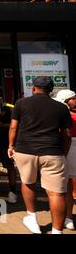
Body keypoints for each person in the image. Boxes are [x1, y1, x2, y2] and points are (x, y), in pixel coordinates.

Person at [8, 77, 72, 234]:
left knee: (28, 183)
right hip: (53, 151)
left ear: (33, 88)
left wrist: (11, 146)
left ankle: (32, 218)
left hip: (25, 150)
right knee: (56, 192)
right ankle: (57, 230)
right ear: (51, 90)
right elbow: (67, 134)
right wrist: (63, 152)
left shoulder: (21, 103)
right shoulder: (61, 107)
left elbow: (13, 127)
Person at [54, 89, 76, 230]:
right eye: (73, 98)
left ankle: (68, 217)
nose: (75, 101)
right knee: (62, 185)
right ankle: (65, 216)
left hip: (70, 147)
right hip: (61, 147)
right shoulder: (60, 113)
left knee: (69, 183)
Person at [0, 91, 18, 204]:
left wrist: (3, 125)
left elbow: (16, 125)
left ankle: (12, 191)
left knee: (9, 166)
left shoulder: (10, 108)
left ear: (0, 99)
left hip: (5, 142)